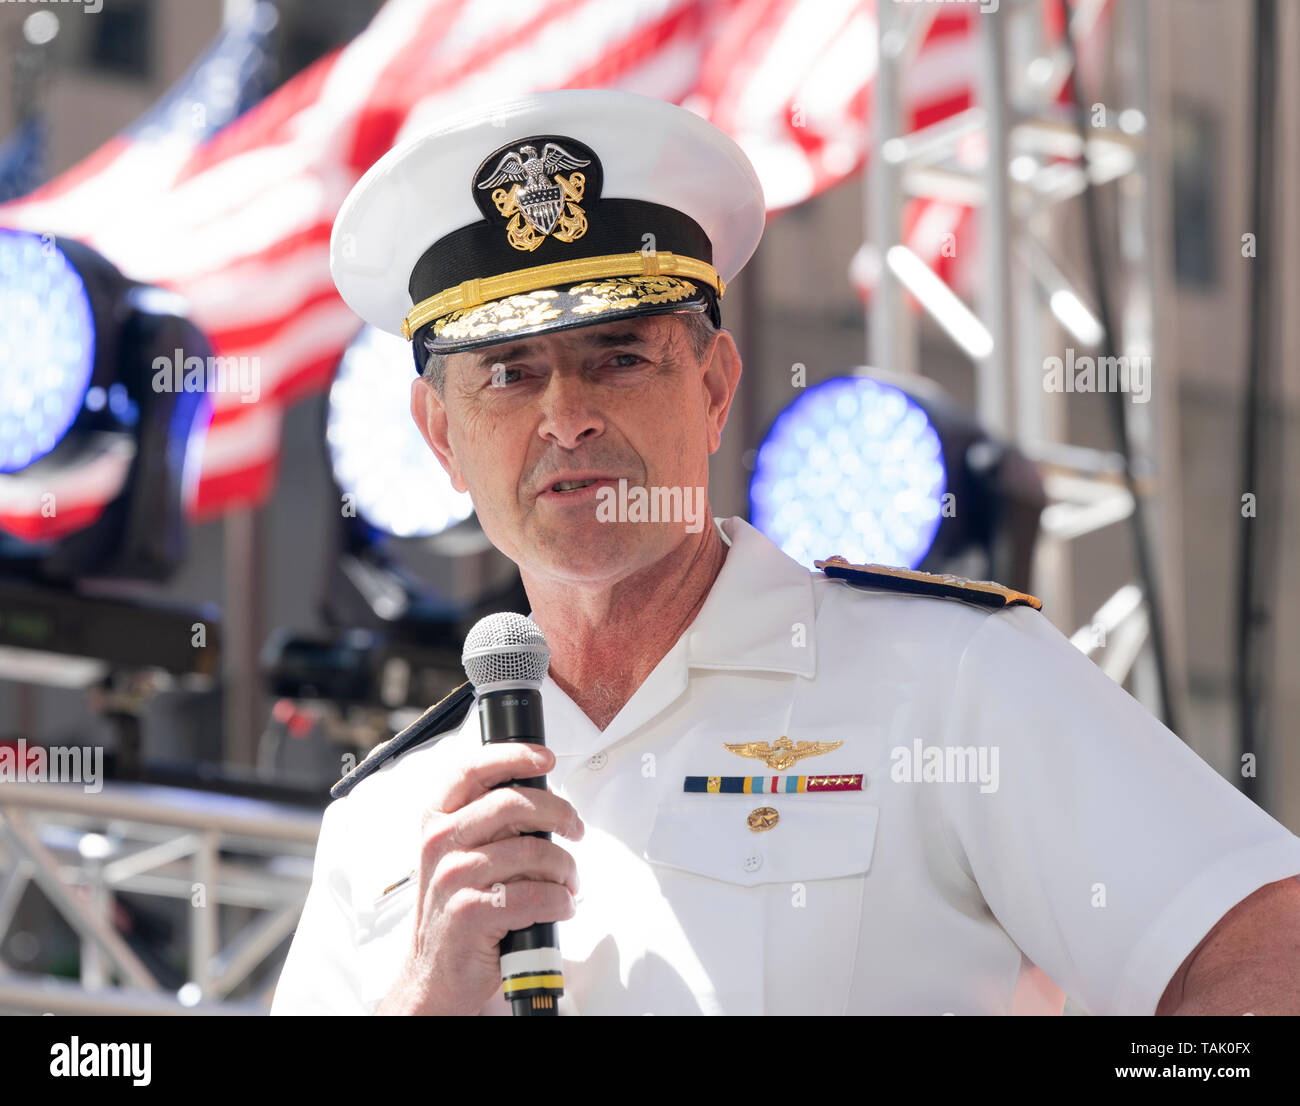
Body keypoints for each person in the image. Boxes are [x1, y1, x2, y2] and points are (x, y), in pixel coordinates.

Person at [270, 89, 1300, 1016]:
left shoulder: (947, 678)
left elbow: (1262, 946)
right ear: (441, 435)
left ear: (714, 388)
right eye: (507, 372)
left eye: (619, 356)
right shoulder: (384, 816)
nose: (567, 417)